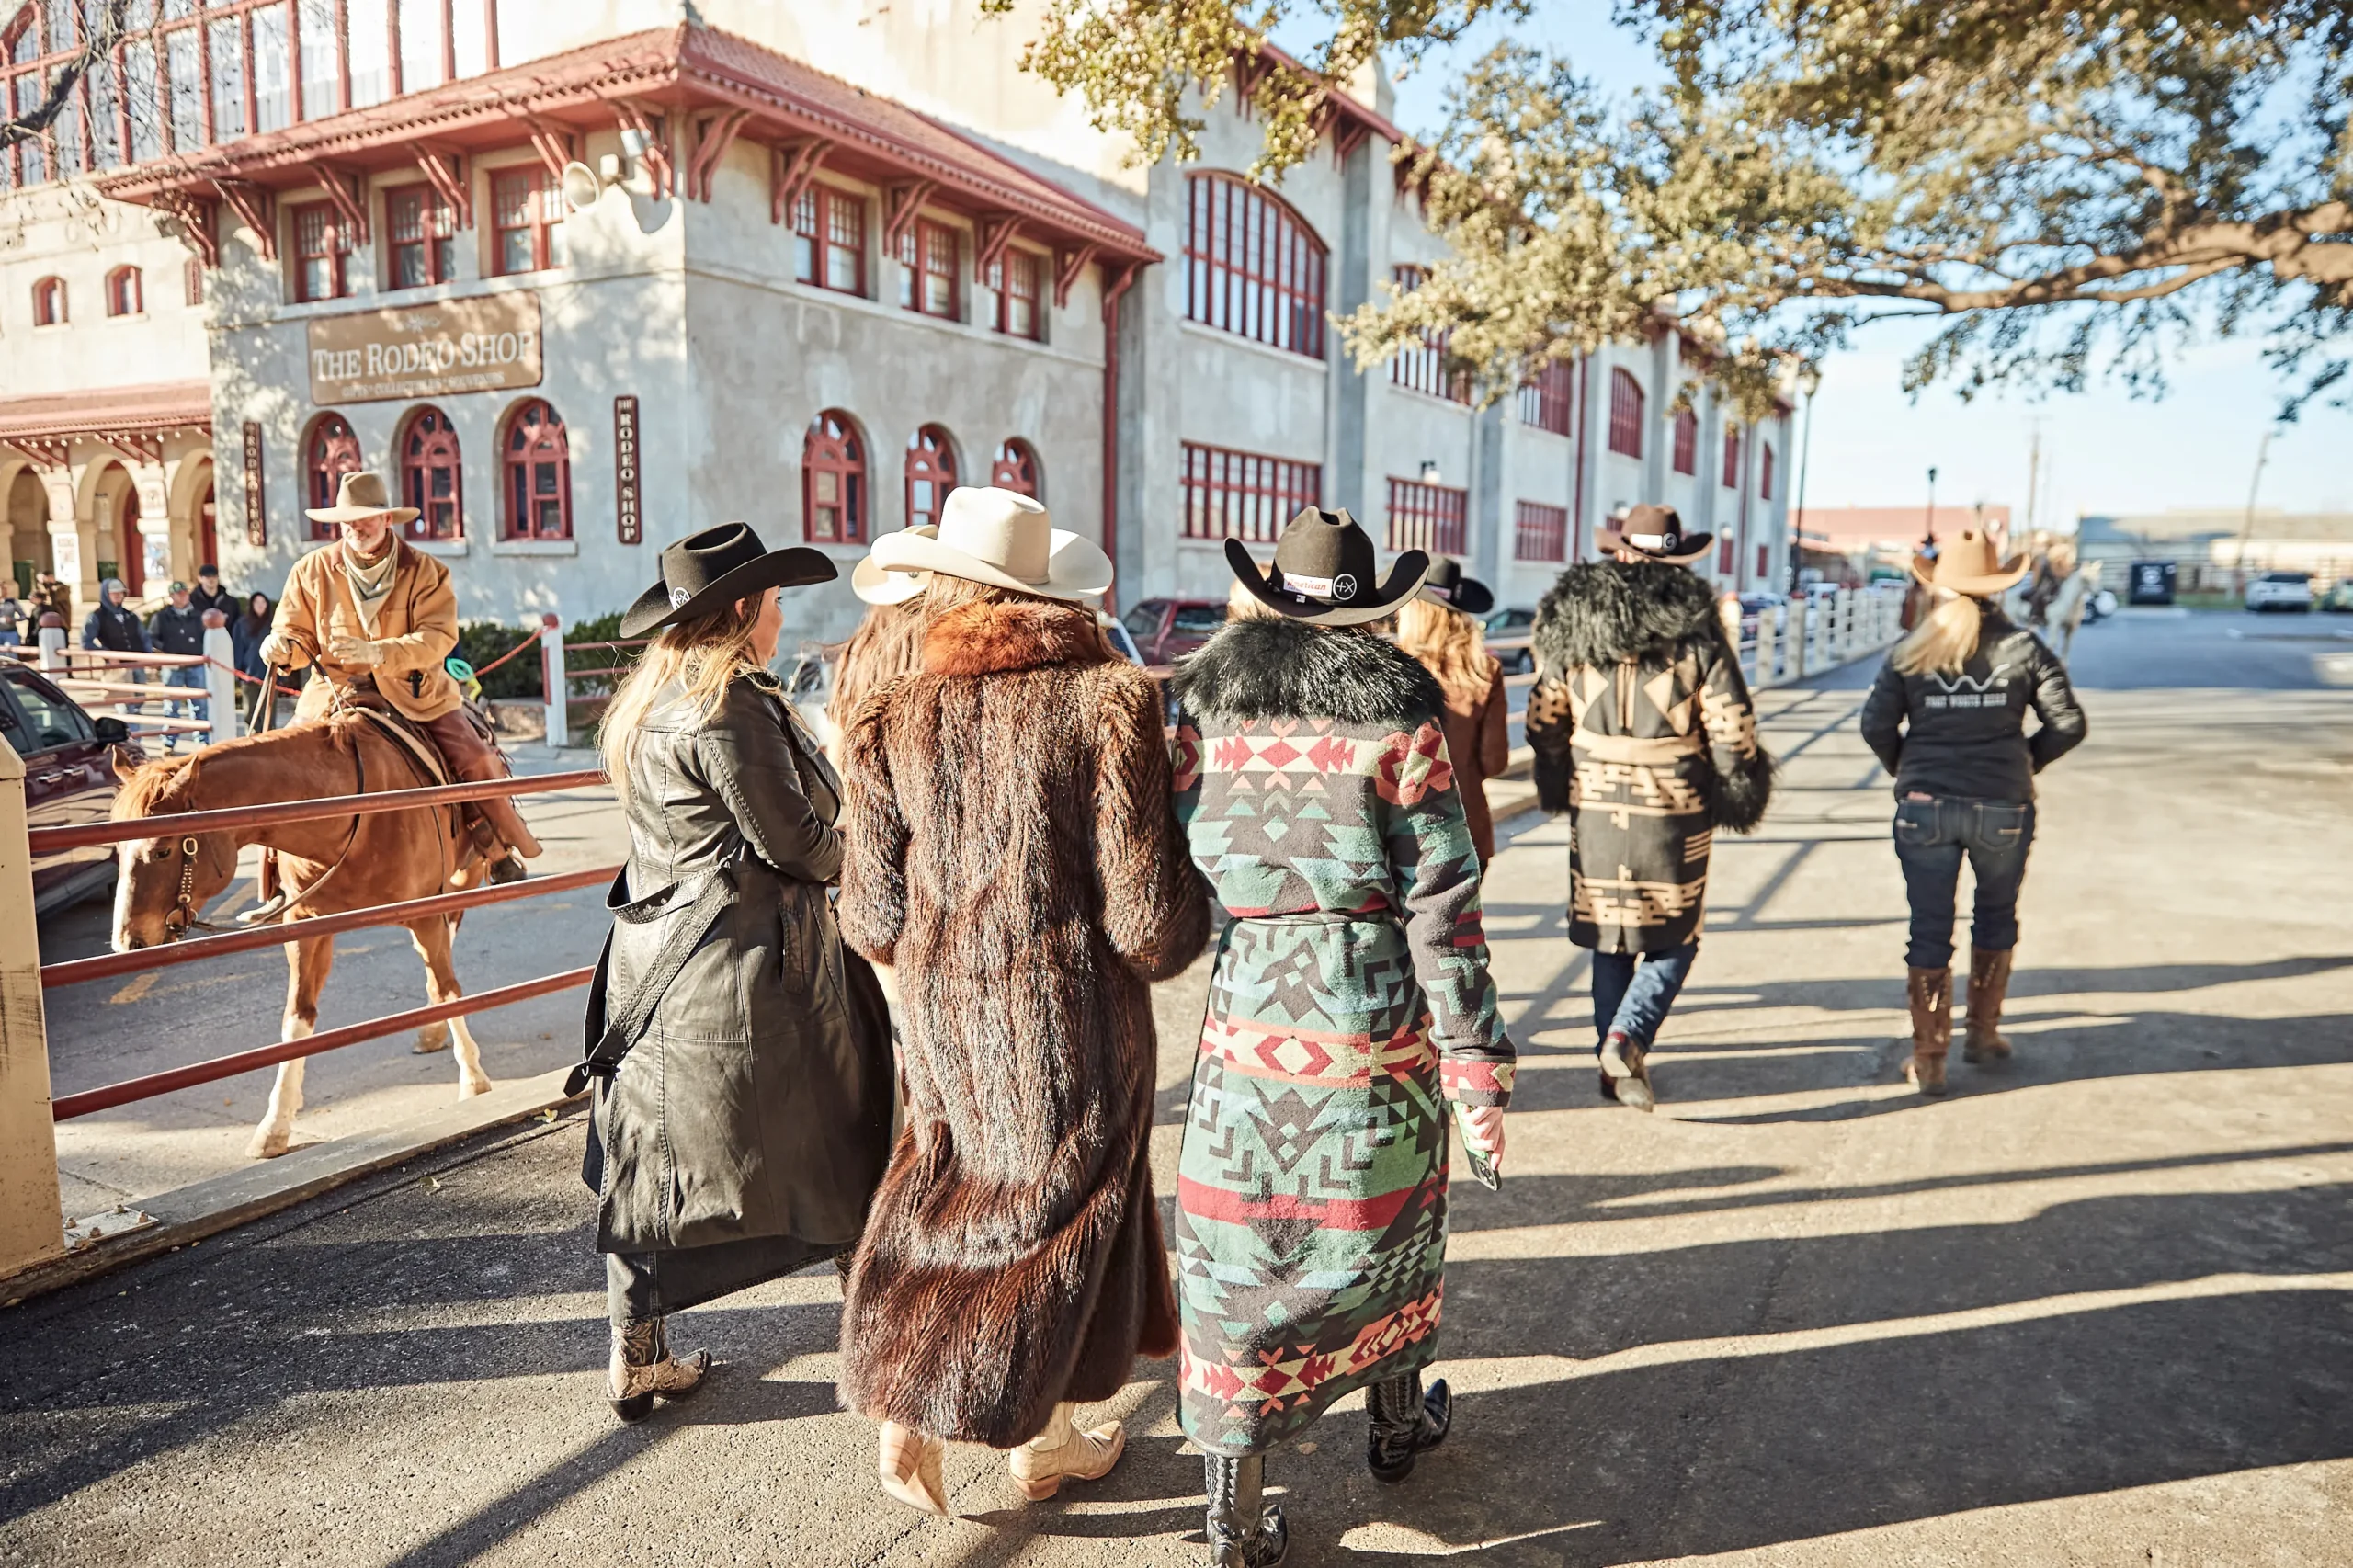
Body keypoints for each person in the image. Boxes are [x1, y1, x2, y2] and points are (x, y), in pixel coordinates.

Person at [835, 487, 1207, 1516]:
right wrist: (1191, 916)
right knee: (1060, 1215)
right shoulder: (1111, 697)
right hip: (1075, 1011)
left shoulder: (887, 711)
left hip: (950, 1015)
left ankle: (1011, 1430)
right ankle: (971, 1408)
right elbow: (1143, 918)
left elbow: (868, 913)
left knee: (957, 1187)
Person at [1171, 508, 1514, 1568]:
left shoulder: (1201, 720)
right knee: (1385, 1224)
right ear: (1370, 609)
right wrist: (1473, 1056)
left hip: (1248, 1011)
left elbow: (1180, 868)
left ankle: (1232, 1512)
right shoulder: (1399, 725)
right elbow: (1443, 905)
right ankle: (1396, 1424)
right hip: (1371, 1017)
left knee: (1241, 1244)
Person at [574, 522, 894, 1421]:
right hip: (752, 967)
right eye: (777, 600)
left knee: (644, 1152)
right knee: (847, 1127)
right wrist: (864, 854)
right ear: (746, 608)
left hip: (651, 961)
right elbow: (790, 840)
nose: (783, 615)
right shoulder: (730, 701)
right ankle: (872, 1348)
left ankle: (636, 1356)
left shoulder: (645, 700)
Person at [1524, 504, 1774, 1112]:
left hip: (1596, 804)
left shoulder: (1573, 626)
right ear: (1679, 561)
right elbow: (1733, 734)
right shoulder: (1696, 633)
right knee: (1675, 937)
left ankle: (1614, 1063)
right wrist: (1734, 778)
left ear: (1617, 553)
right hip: (1674, 808)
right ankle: (1626, 1040)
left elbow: (1542, 720)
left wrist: (1566, 762)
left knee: (1610, 936)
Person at [1859, 527, 2086, 1094]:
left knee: (1928, 927)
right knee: (1996, 916)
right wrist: (2022, 765)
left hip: (1924, 806)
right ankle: (1983, 1035)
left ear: (1938, 586)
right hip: (2002, 805)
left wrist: (1908, 772)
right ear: (1999, 586)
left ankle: (1930, 1056)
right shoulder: (2025, 647)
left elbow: (1874, 725)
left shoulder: (1911, 650)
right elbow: (2068, 723)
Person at [260, 471, 541, 881]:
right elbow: (296, 632)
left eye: (365, 519)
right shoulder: (311, 570)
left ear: (387, 519)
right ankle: (279, 878)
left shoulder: (427, 571)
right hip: (333, 692)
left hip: (416, 693)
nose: (355, 528)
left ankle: (498, 847)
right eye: (347, 520)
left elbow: (438, 636)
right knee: (280, 765)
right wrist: (282, 647)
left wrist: (378, 652)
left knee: (476, 757)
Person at [1394, 557, 1511, 865]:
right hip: (1466, 826)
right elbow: (1494, 762)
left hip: (1401, 833)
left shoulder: (1394, 669)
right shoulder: (1485, 671)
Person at [147, 581, 210, 749]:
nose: (183, 596)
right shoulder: (161, 617)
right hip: (172, 666)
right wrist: (164, 653)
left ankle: (203, 741)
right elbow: (152, 638)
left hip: (195, 664)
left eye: (185, 593)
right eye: (179, 593)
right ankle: (168, 743)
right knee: (171, 707)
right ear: (172, 596)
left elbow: (207, 637)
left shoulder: (198, 616)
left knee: (200, 706)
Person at [82, 577, 150, 711]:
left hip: (137, 663)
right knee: (124, 703)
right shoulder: (96, 616)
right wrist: (107, 655)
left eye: (121, 593)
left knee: (140, 699)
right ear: (106, 595)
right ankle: (131, 730)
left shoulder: (131, 615)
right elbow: (86, 642)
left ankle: (134, 727)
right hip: (117, 666)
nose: (118, 596)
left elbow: (144, 637)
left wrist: (148, 655)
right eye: (114, 593)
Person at [232, 592, 274, 682]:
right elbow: (238, 649)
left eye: (263, 602)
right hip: (249, 674)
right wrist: (239, 672)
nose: (260, 605)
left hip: (271, 675)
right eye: (257, 602)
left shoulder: (274, 624)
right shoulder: (242, 624)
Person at [0, 576, 23, 648]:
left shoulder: (12, 601)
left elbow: (23, 616)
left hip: (11, 632)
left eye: (3, 588)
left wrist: (12, 619)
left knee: (11, 656)